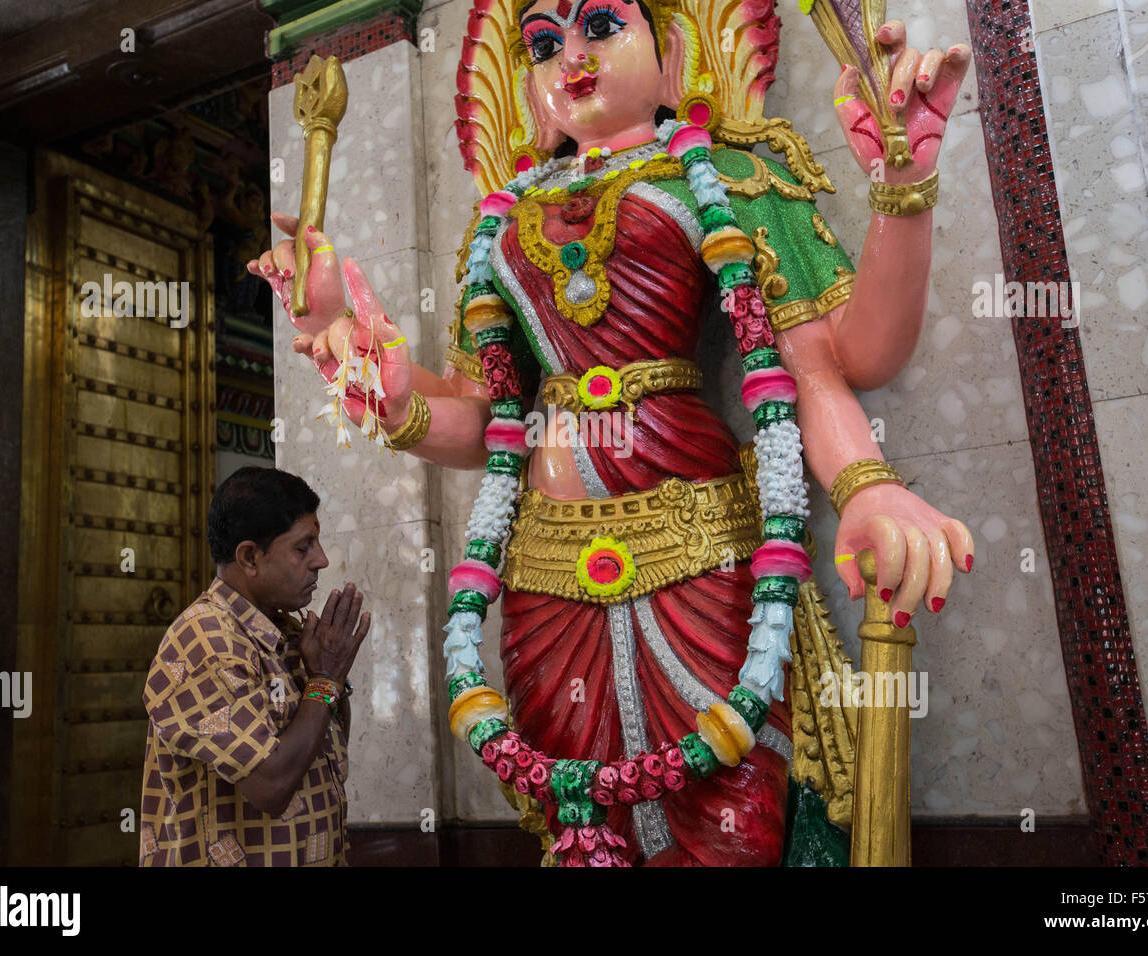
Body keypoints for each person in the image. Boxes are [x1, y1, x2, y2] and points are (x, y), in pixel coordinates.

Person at [252, 0, 975, 864]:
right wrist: (364, 354)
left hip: (697, 550)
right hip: (544, 576)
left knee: (734, 818)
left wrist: (902, 192)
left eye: (601, 25)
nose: (573, 57)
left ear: (674, 55)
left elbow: (832, 360)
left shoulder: (728, 174)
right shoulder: (501, 223)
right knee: (581, 831)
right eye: (546, 42)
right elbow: (485, 419)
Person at [139, 466, 370, 866]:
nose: (322, 560)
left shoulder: (282, 630)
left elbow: (325, 750)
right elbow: (271, 785)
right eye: (303, 547)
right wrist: (325, 679)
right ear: (249, 557)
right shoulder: (206, 638)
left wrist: (328, 682)